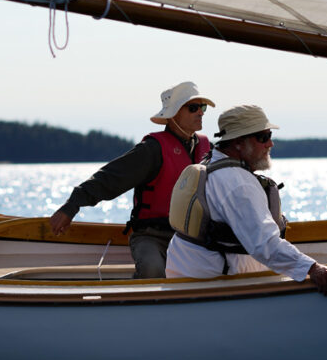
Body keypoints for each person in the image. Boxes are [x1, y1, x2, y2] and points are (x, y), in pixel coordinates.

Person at [165, 104, 327, 295]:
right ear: (238, 142)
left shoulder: (211, 163)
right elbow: (264, 243)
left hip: (185, 278)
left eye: (269, 136)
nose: (270, 144)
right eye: (262, 137)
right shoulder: (238, 183)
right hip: (212, 287)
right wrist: (312, 268)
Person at [48, 81, 214, 278]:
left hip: (192, 239)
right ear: (173, 115)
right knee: (153, 270)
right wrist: (72, 205)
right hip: (152, 236)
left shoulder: (207, 149)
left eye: (202, 107)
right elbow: (110, 178)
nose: (201, 113)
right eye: (193, 108)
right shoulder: (151, 150)